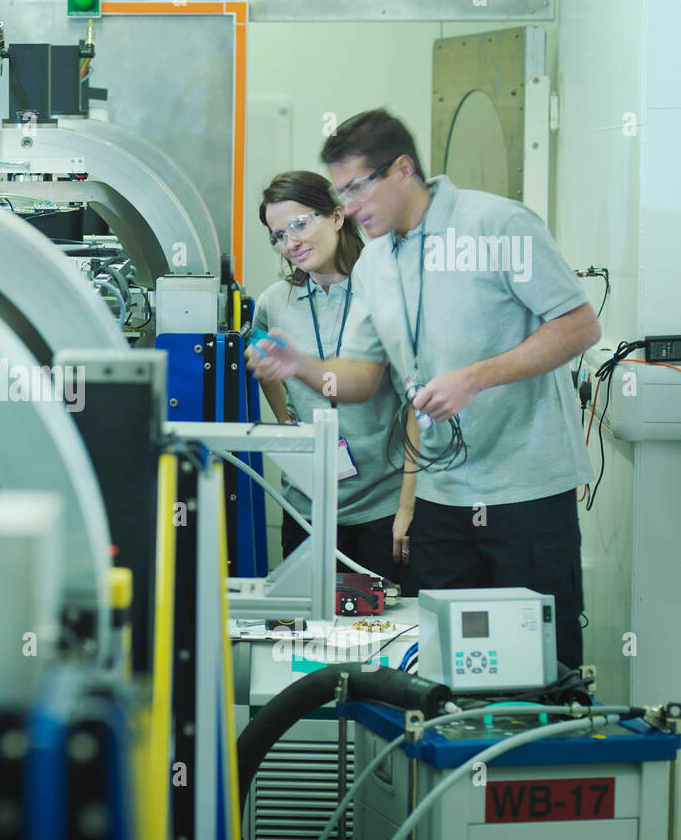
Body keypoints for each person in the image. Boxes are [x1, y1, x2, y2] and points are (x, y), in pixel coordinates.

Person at [248, 109, 599, 669]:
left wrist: (477, 376)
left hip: (524, 490)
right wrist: (301, 365)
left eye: (357, 188)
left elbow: (580, 326)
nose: (351, 207)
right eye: (341, 192)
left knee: (541, 669)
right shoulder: (376, 267)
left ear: (402, 170)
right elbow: (361, 379)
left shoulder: (497, 226)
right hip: (441, 496)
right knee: (443, 670)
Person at [252, 170, 417, 591]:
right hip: (305, 509)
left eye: (299, 224)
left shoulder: (383, 293)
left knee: (379, 637)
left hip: (380, 509)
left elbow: (416, 403)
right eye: (277, 235)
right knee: (307, 638)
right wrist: (286, 420)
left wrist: (408, 507)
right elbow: (264, 363)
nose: (289, 243)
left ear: (339, 216)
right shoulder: (275, 303)